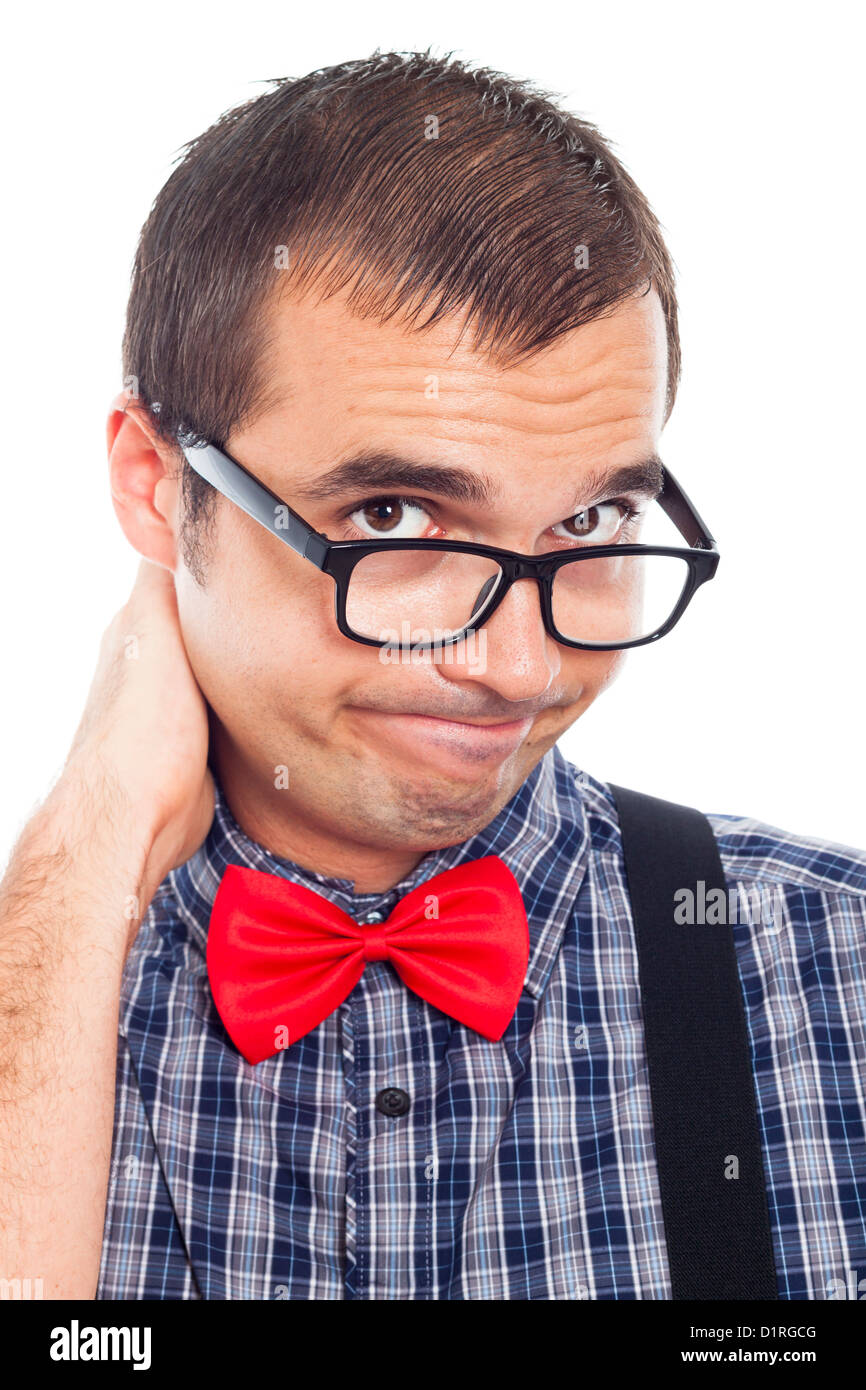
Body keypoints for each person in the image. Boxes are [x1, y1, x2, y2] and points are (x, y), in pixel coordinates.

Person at [1, 49, 864, 1302]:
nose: (517, 666)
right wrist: (81, 862)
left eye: (586, 523)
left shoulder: (836, 979)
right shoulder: (34, 965)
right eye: (394, 516)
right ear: (156, 482)